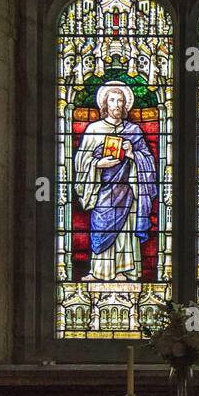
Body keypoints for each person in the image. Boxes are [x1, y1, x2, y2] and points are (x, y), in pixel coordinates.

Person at [73, 83, 157, 281]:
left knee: (125, 234)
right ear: (104, 103)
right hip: (103, 190)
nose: (116, 104)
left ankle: (123, 270)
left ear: (126, 104)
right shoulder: (94, 129)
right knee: (102, 227)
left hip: (126, 191)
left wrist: (132, 153)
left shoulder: (133, 130)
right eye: (112, 100)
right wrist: (97, 163)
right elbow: (80, 161)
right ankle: (100, 272)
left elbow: (148, 162)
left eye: (120, 100)